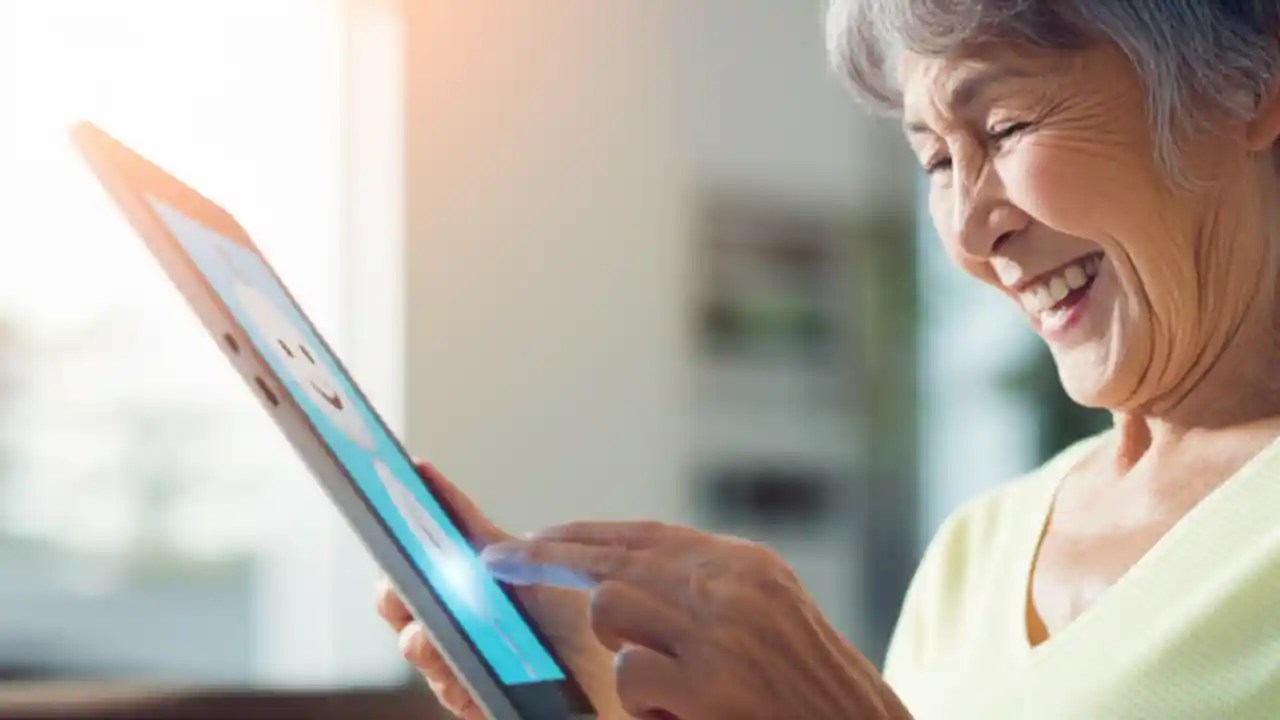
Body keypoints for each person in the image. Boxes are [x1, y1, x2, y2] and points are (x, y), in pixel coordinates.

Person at [377, 2, 1280, 717]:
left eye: (1004, 129)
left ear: (1247, 88)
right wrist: (611, 695)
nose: (969, 227)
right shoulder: (980, 548)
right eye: (934, 163)